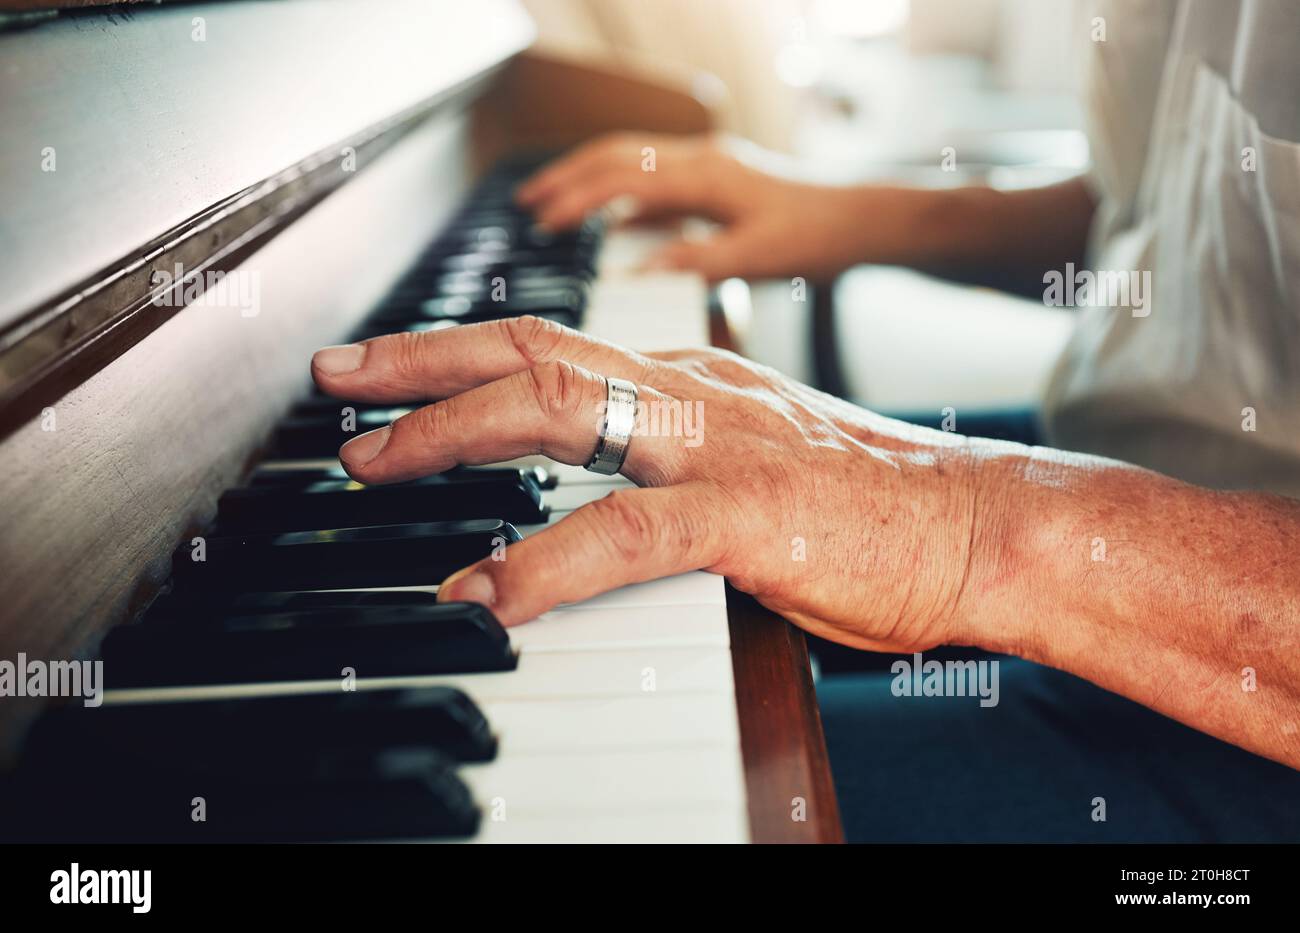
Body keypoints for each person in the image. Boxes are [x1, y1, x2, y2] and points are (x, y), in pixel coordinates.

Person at [309, 0, 1300, 841]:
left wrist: (959, 531)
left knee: (636, 780)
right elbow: (1162, 211)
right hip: (1135, 454)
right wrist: (860, 215)